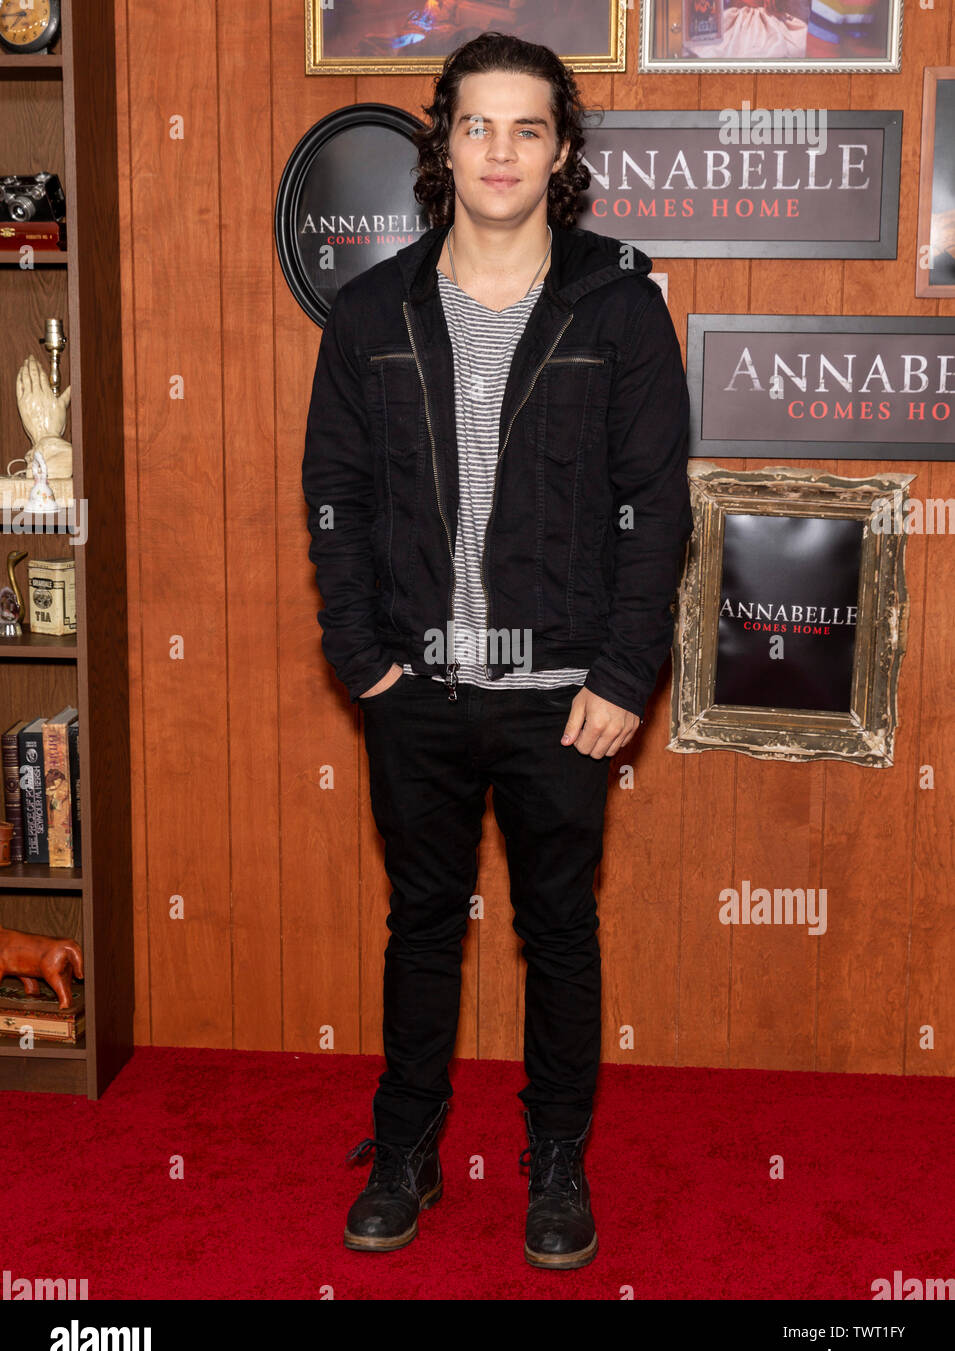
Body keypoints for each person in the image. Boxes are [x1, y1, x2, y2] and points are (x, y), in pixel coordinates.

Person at [301, 31, 693, 1270]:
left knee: (557, 927)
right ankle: (407, 1150)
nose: (502, 150)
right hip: (412, 687)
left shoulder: (619, 306)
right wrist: (362, 657)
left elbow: (658, 506)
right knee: (421, 923)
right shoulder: (370, 311)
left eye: (528, 128)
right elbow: (335, 494)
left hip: (563, 697)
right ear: (442, 143)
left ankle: (557, 1163)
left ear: (562, 149)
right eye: (478, 125)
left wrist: (625, 676)